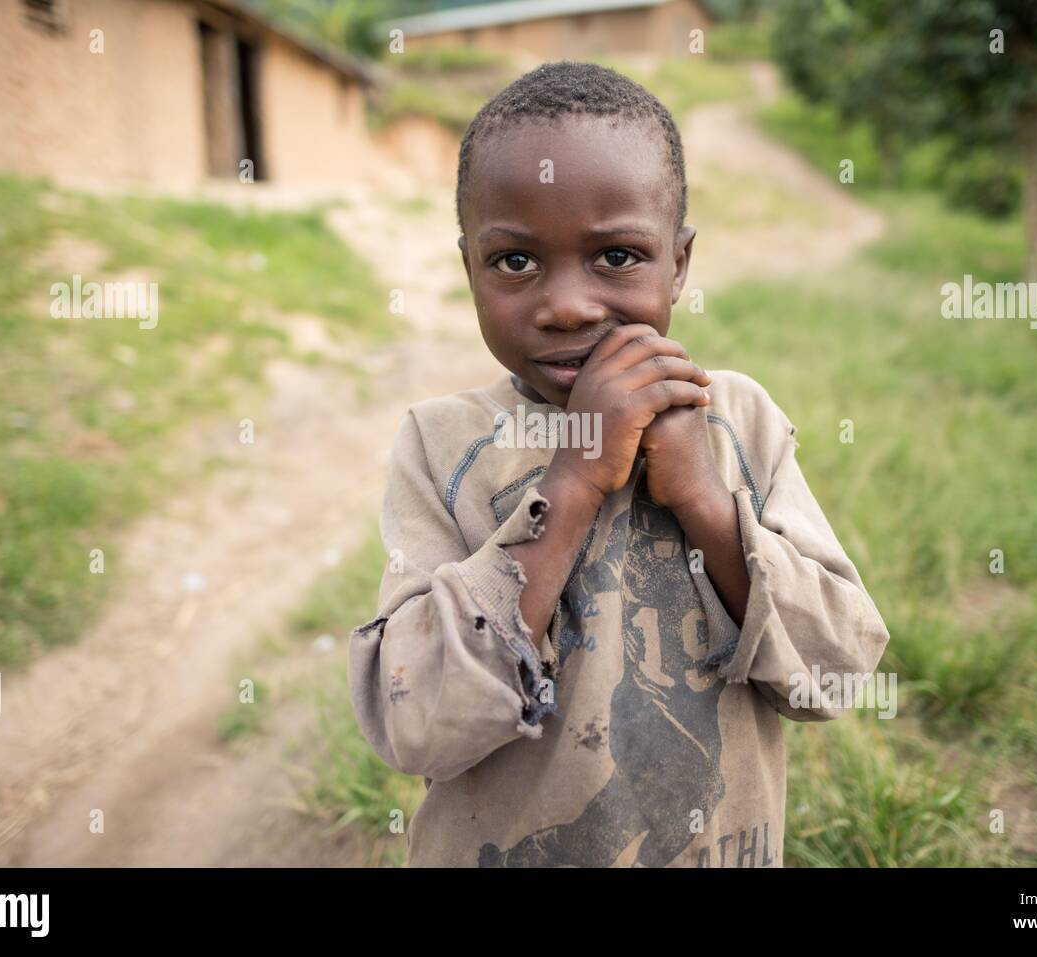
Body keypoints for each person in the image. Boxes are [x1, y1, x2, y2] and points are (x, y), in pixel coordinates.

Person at [349, 61, 890, 867]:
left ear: (680, 263)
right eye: (516, 262)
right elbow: (415, 717)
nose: (566, 303)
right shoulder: (442, 447)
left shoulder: (736, 422)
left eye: (616, 256)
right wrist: (572, 482)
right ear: (469, 269)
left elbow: (837, 675)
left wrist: (705, 496)